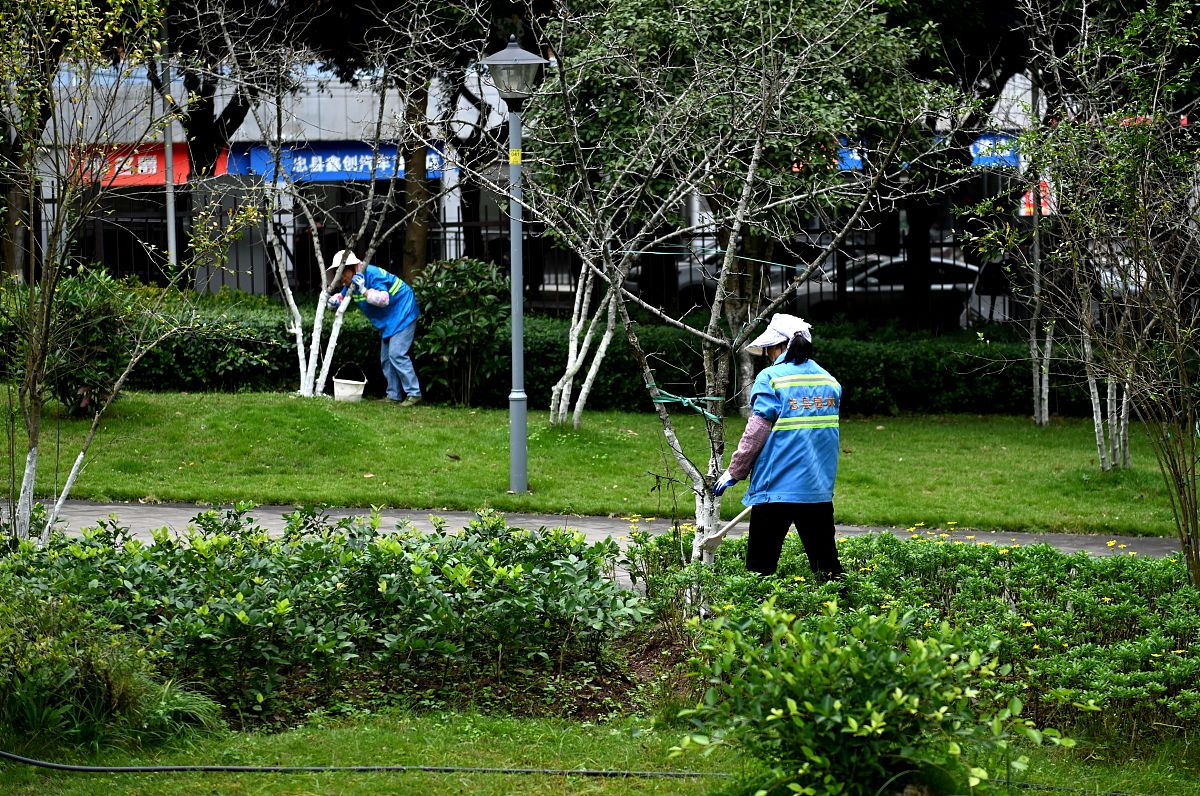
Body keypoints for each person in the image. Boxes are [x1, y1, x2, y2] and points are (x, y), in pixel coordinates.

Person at [713, 313, 843, 579]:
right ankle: (844, 615)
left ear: (779, 346)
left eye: (769, 349)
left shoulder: (771, 378)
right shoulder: (829, 381)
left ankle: (757, 619)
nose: (768, 355)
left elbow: (756, 431)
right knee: (827, 567)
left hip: (776, 487)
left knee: (759, 569)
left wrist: (735, 471)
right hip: (817, 488)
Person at [327, 249, 423, 406]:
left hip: (403, 312)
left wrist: (364, 290)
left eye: (342, 274)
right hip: (389, 320)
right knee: (386, 359)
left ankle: (414, 393)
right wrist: (332, 301)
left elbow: (384, 300)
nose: (341, 280)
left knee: (397, 354)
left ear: (351, 268)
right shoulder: (352, 282)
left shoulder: (372, 274)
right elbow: (340, 297)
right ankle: (393, 396)